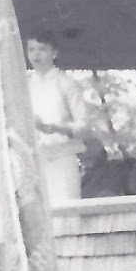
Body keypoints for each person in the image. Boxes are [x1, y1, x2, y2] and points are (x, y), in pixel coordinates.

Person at [25, 33, 88, 204]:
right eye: (32, 49)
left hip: (62, 157)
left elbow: (83, 125)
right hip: (34, 159)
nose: (36, 54)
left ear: (54, 53)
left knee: (65, 209)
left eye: (42, 49)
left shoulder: (67, 83)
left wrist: (55, 128)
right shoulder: (25, 84)